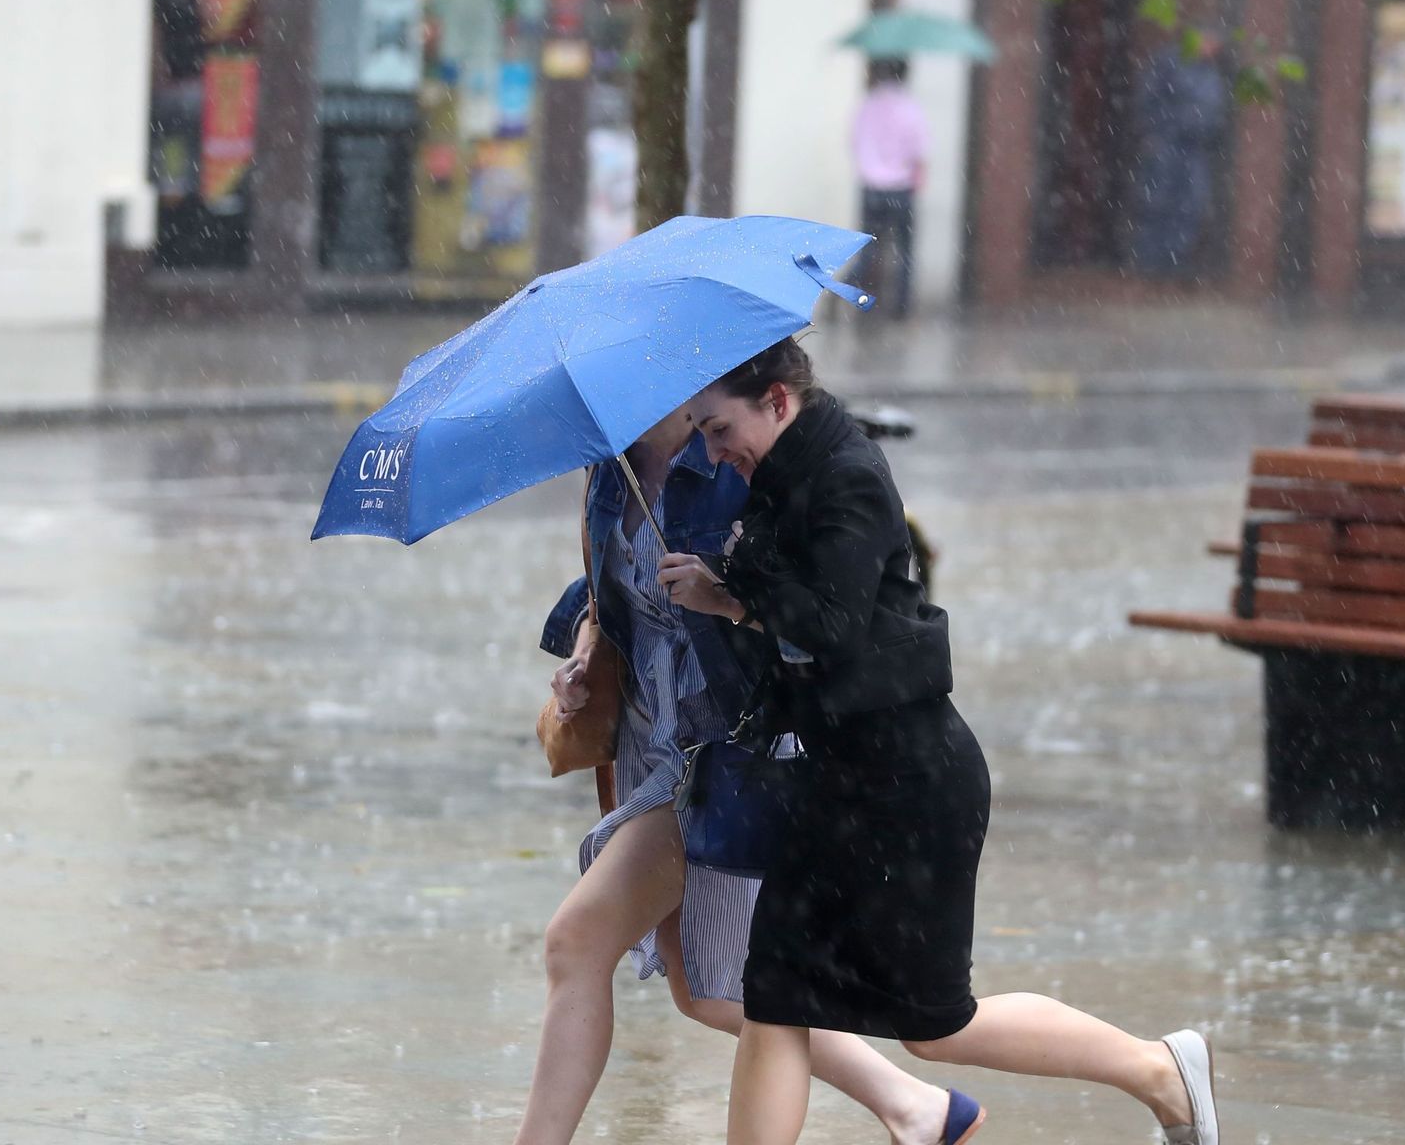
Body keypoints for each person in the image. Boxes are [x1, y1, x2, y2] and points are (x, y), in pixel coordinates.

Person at [659, 338, 1221, 1145]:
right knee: (775, 996)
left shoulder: (845, 474)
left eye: (718, 430)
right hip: (836, 778)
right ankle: (1154, 1072)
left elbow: (837, 626)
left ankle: (1160, 1069)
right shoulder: (777, 483)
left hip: (910, 785)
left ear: (777, 401)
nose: (714, 452)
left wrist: (735, 600)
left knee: (933, 1024)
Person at [520, 408, 979, 1145]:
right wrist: (581, 658)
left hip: (721, 752)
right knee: (705, 992)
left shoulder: (735, 468)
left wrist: (728, 597)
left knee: (577, 943)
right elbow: (605, 599)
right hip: (653, 744)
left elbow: (815, 605)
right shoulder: (610, 470)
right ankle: (916, 1108)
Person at [1133, 34, 1228, 275]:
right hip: (1168, 142)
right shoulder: (1170, 61)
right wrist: (1155, 132)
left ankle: (1174, 263)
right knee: (1158, 200)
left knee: (1191, 203)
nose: (1213, 47)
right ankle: (1150, 264)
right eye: (1209, 40)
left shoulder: (1210, 72)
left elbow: (1213, 110)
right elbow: (1149, 97)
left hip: (1195, 147)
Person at [853, 58, 928, 318]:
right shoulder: (910, 109)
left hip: (872, 185)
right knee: (904, 252)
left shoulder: (868, 105)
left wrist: (871, 168)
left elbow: (855, 141)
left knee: (868, 248)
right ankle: (900, 309)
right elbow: (919, 150)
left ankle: (851, 296)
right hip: (901, 187)